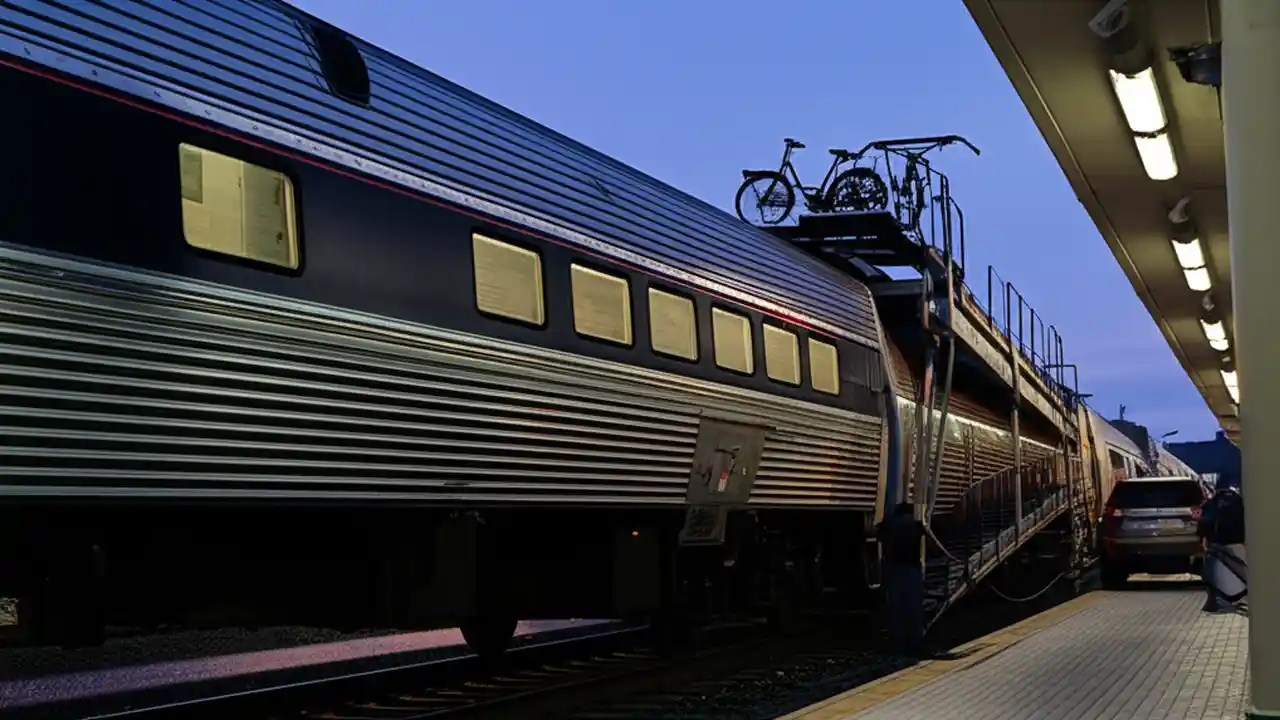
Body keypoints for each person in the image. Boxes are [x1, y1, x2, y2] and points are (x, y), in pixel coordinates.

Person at [877, 501, 926, 656]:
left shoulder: (888, 524)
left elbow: (880, 537)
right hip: (912, 570)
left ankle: (898, 643)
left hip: (894, 570)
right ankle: (914, 643)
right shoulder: (916, 525)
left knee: (896, 608)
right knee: (913, 608)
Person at [1198, 485, 1246, 612]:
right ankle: (1237, 597)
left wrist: (1203, 538)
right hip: (1237, 541)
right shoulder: (1238, 501)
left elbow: (1205, 522)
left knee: (1214, 572)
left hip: (1217, 542)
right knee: (1238, 568)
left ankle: (1219, 600)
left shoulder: (1211, 503)